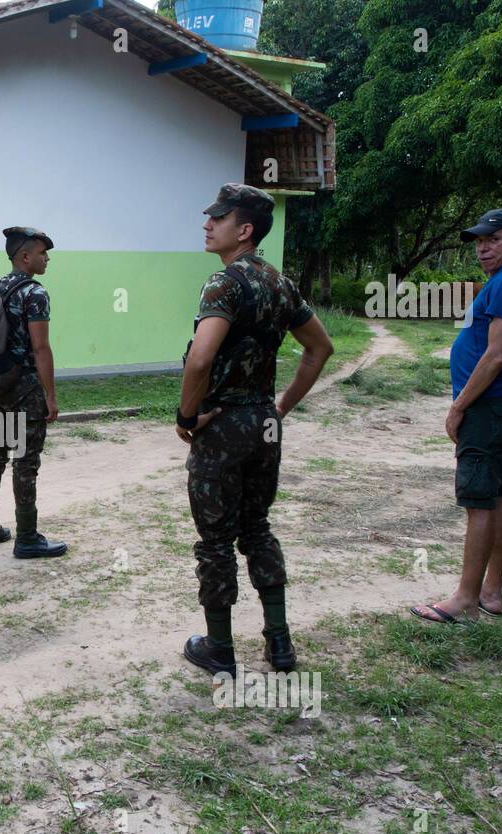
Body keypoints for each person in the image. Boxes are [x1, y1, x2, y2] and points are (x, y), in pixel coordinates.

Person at [178, 184, 334, 679]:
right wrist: (281, 404)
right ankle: (279, 643)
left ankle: (220, 648)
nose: (207, 225)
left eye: (217, 218)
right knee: (258, 528)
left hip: (222, 424)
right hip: (264, 422)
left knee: (217, 540)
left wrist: (186, 416)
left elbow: (201, 358)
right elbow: (320, 349)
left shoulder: (223, 284)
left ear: (243, 230)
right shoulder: (280, 284)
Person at [410, 209, 502, 625]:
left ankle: (465, 600)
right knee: (498, 494)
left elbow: (495, 354)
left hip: (489, 407)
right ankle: (490, 592)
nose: (484, 247)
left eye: (494, 239)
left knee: (478, 503)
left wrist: (458, 407)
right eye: (479, 241)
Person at [0, 227, 67, 559]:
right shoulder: (35, 293)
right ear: (25, 257)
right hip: (26, 388)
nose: (47, 258)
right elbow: (41, 348)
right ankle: (27, 537)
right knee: (26, 460)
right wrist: (51, 395)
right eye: (43, 253)